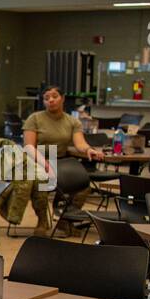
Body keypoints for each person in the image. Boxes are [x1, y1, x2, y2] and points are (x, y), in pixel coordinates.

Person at [23, 84, 101, 236]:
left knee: (83, 186)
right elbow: (29, 146)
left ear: (63, 98)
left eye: (54, 96)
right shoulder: (35, 118)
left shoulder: (73, 121)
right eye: (46, 98)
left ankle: (65, 219)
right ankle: (42, 221)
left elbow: (80, 144)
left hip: (62, 161)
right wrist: (44, 164)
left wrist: (88, 149)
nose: (50, 100)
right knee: (40, 182)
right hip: (37, 160)